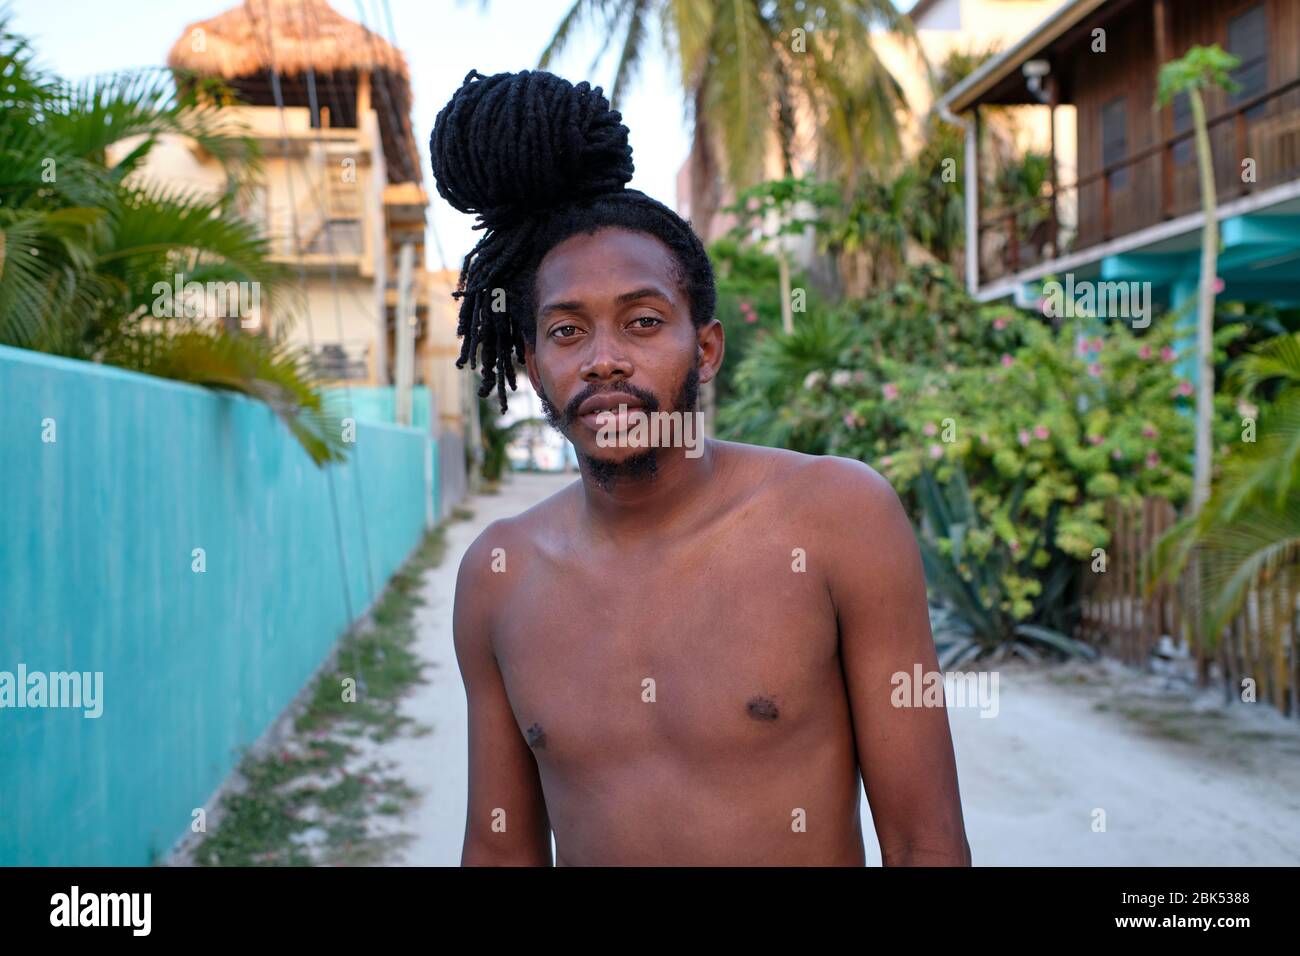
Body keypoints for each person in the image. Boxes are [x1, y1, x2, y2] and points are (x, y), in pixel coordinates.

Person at [433, 69, 971, 866]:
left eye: (643, 322)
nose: (605, 361)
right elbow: (499, 849)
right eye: (568, 332)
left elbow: (925, 841)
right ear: (532, 362)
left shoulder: (838, 520)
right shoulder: (498, 575)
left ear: (706, 348)